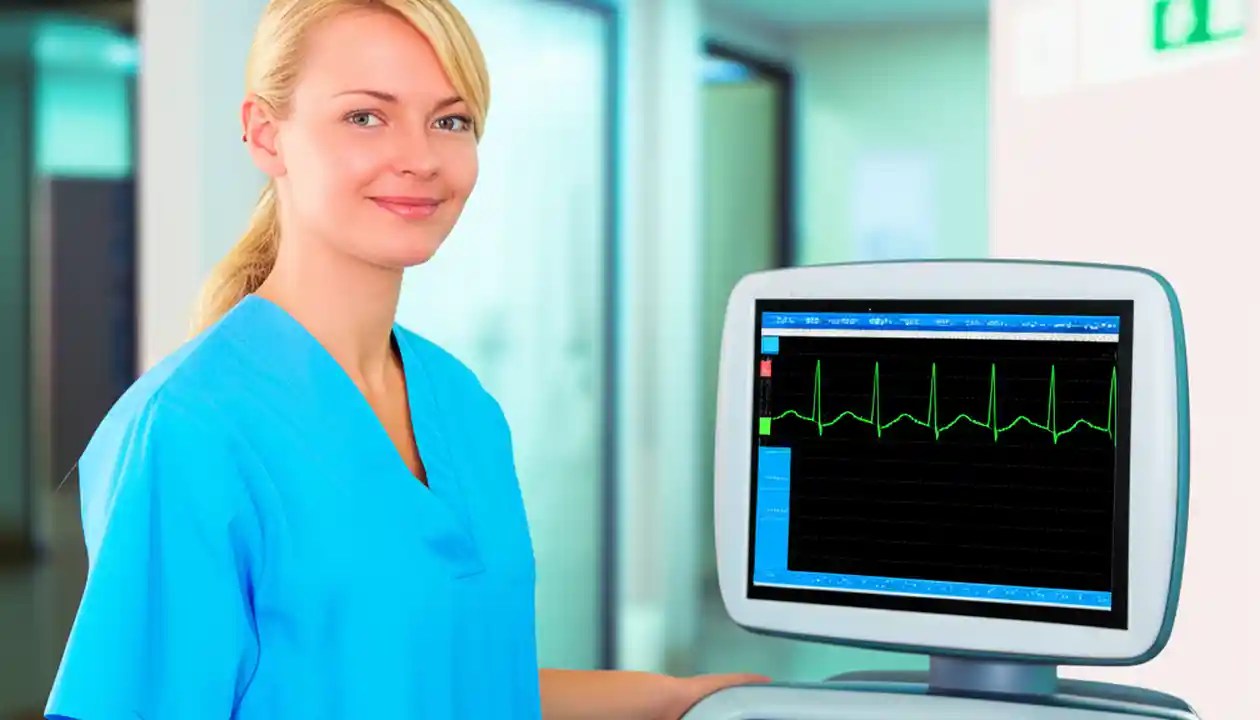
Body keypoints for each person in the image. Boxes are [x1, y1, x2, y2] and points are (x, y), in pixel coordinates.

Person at [44, 0, 766, 717]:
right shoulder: (188, 431)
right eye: (366, 116)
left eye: (449, 121)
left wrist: (673, 699)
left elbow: (460, 684)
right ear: (266, 135)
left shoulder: (461, 404)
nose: (420, 159)